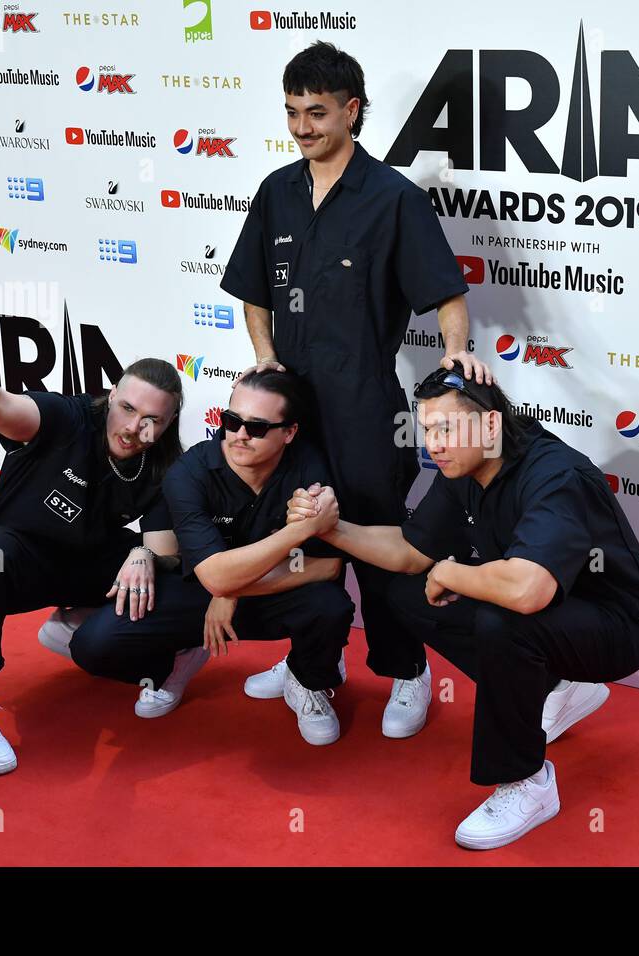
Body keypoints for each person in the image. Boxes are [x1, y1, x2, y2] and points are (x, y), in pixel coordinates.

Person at [221, 40, 493, 739]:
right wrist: (264, 358)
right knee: (299, 538)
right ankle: (311, 665)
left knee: (374, 542)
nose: (302, 127)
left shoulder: (393, 198)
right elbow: (252, 290)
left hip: (365, 406)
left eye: (316, 113)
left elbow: (446, 292)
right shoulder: (275, 191)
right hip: (290, 408)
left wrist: (459, 358)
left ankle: (407, 671)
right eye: (291, 113)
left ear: (352, 110)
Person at [286, 365, 639, 849]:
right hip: (553, 614)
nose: (433, 445)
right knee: (402, 588)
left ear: (489, 426)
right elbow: (409, 551)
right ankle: (556, 687)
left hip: (616, 625)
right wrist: (330, 529)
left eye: (445, 429)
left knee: (504, 620)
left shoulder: (555, 474)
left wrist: (453, 574)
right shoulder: (465, 465)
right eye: (427, 430)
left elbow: (529, 590)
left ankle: (528, 782)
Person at [0, 357, 185, 776]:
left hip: (87, 562)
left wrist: (144, 555)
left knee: (170, 574)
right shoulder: (67, 418)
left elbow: (164, 547)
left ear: (169, 422)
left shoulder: (164, 463)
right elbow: (0, 402)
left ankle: (79, 623)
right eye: (128, 409)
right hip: (22, 559)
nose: (134, 428)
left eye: (153, 419)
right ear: (112, 395)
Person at [68, 369, 354, 744]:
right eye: (232, 421)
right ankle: (175, 661)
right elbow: (214, 577)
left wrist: (231, 590)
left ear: (289, 433)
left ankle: (305, 679)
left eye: (257, 428)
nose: (238, 435)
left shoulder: (309, 467)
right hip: (200, 593)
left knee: (330, 606)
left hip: (271, 595)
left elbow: (329, 565)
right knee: (94, 644)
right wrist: (294, 534)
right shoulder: (189, 472)